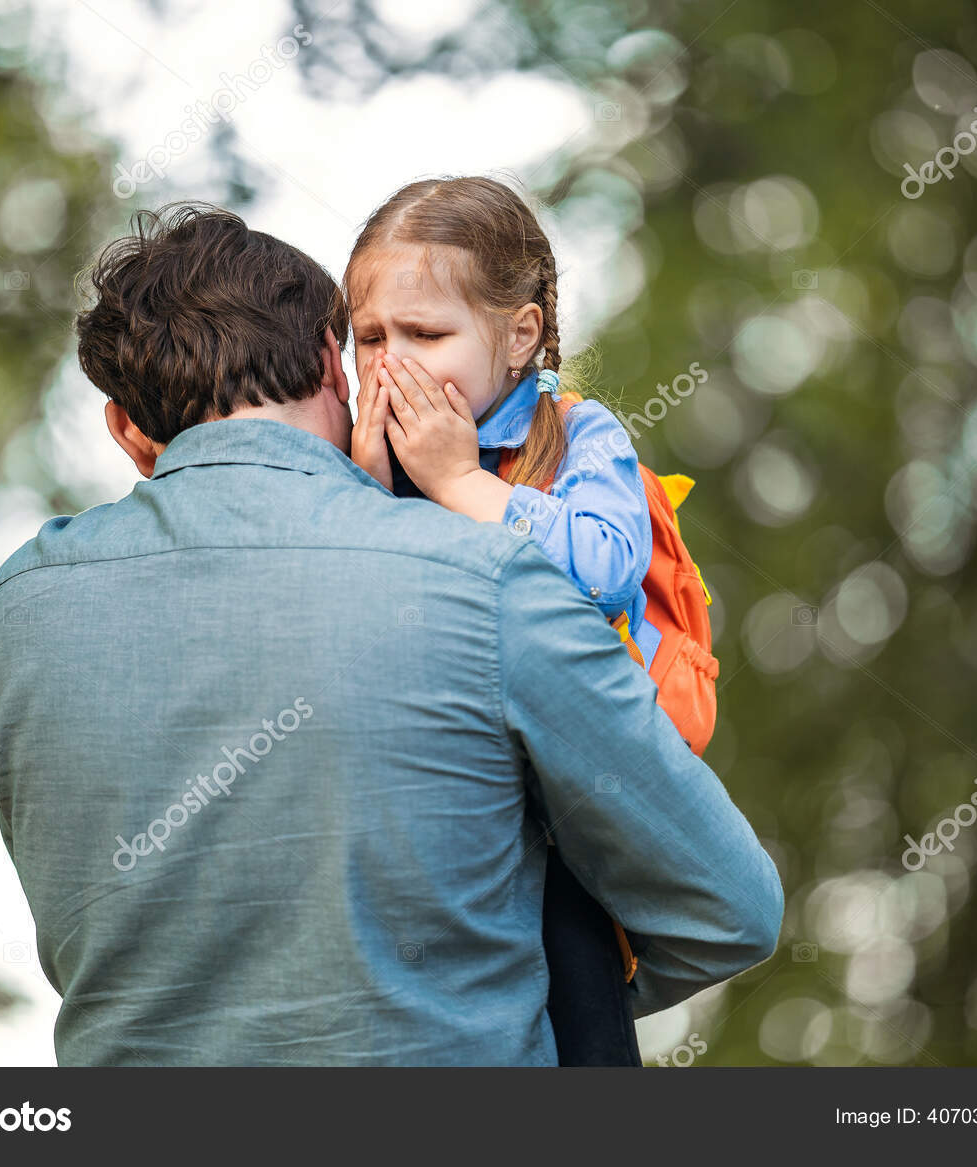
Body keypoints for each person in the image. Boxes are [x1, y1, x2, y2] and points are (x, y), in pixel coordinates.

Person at [0, 201, 783, 1065]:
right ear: (335, 359)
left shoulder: (21, 607)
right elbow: (730, 908)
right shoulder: (490, 576)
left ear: (128, 429)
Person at [343, 176, 719, 1064]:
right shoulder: (364, 455)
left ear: (522, 334)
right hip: (430, 817)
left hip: (564, 830)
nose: (391, 362)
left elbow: (600, 567)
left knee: (579, 1011)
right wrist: (360, 489)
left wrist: (460, 484)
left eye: (425, 334)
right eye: (369, 337)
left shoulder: (584, 437)